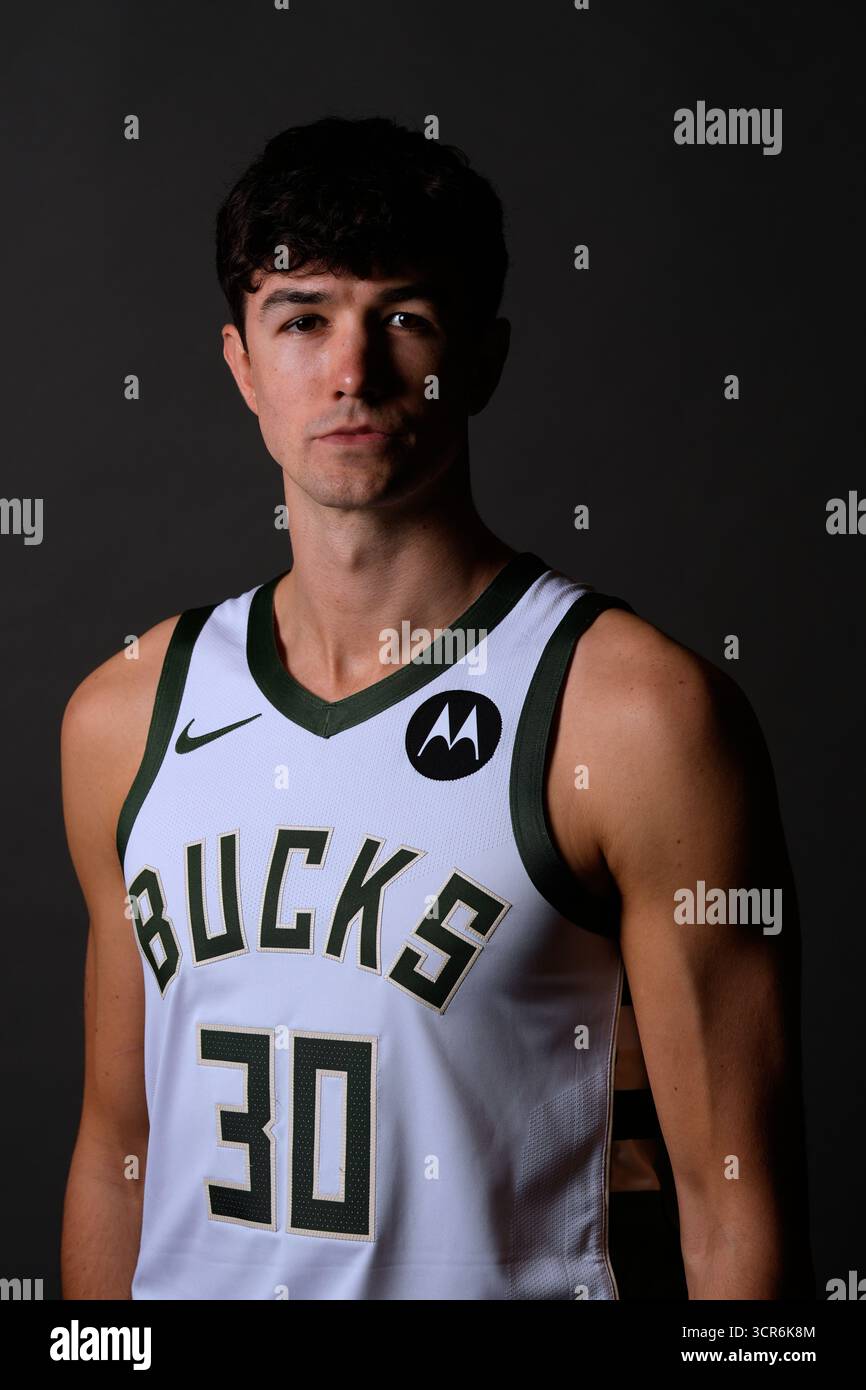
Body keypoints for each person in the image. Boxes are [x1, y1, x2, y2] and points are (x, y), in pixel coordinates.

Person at [60, 116, 813, 1300]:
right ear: (240, 361)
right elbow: (118, 1153)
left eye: (402, 317)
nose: (350, 370)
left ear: (484, 355)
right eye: (302, 318)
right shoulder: (124, 714)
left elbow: (736, 1210)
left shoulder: (632, 715)